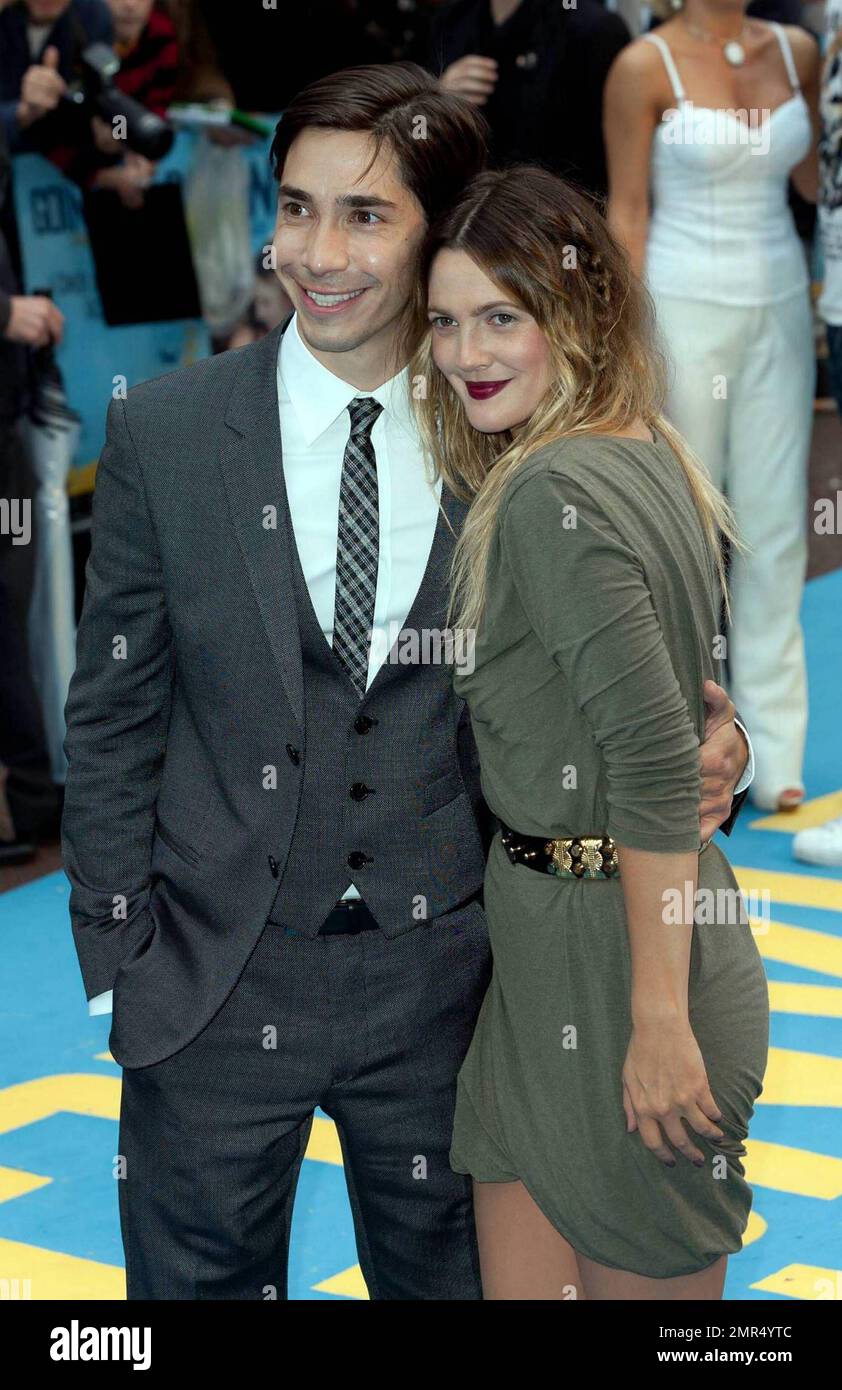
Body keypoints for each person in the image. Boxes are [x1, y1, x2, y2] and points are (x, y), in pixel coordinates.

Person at [61, 62, 754, 1300]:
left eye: (366, 215)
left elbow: (651, 667)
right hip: (211, 988)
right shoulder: (167, 432)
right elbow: (113, 708)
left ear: (440, 233)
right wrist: (123, 955)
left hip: (453, 990)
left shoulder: (515, 431)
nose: (317, 253)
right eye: (293, 207)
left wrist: (722, 741)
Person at [407, 163, 770, 1299]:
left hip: (623, 965)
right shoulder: (647, 448)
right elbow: (681, 708)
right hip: (546, 950)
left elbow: (657, 756)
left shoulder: (547, 492)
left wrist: (655, 1023)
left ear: (582, 309)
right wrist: (733, 745)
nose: (463, 352)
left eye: (499, 317)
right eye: (444, 321)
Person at [604, 0, 821, 812]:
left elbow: (810, 178)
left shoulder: (801, 49)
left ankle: (776, 742)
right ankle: (691, 739)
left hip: (782, 305)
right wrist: (624, 342)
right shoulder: (641, 65)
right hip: (682, 307)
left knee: (776, 523)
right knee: (690, 523)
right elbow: (628, 212)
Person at [427, 0, 631, 200]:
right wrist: (438, 100)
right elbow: (414, 135)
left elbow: (612, 174)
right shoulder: (449, 21)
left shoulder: (592, 29)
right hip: (463, 216)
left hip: (553, 220)